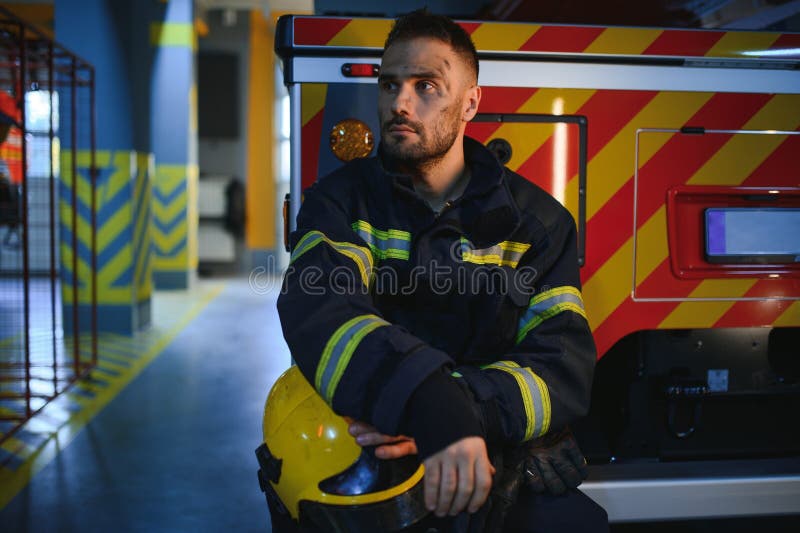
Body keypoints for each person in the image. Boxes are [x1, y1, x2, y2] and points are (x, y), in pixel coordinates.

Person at [275, 9, 607, 532]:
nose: (400, 103)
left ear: (470, 102)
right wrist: (427, 405)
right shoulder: (340, 204)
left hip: (488, 448)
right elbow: (324, 315)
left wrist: (454, 410)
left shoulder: (538, 224)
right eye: (390, 85)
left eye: (425, 85)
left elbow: (560, 368)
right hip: (368, 452)